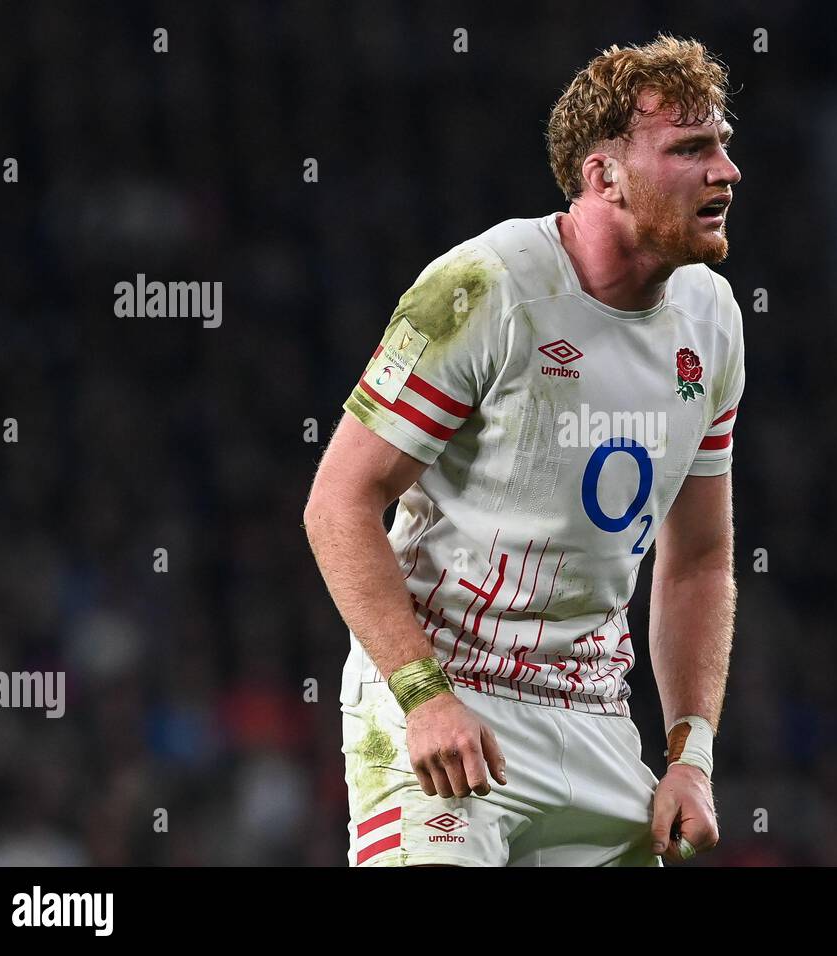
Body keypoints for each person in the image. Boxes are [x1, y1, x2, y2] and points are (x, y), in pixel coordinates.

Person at [304, 33, 744, 867]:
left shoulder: (713, 320)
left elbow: (701, 558)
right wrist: (423, 696)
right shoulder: (482, 288)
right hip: (444, 695)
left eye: (723, 145)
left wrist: (691, 755)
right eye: (691, 149)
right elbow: (338, 502)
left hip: (594, 716)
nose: (726, 172)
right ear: (603, 175)